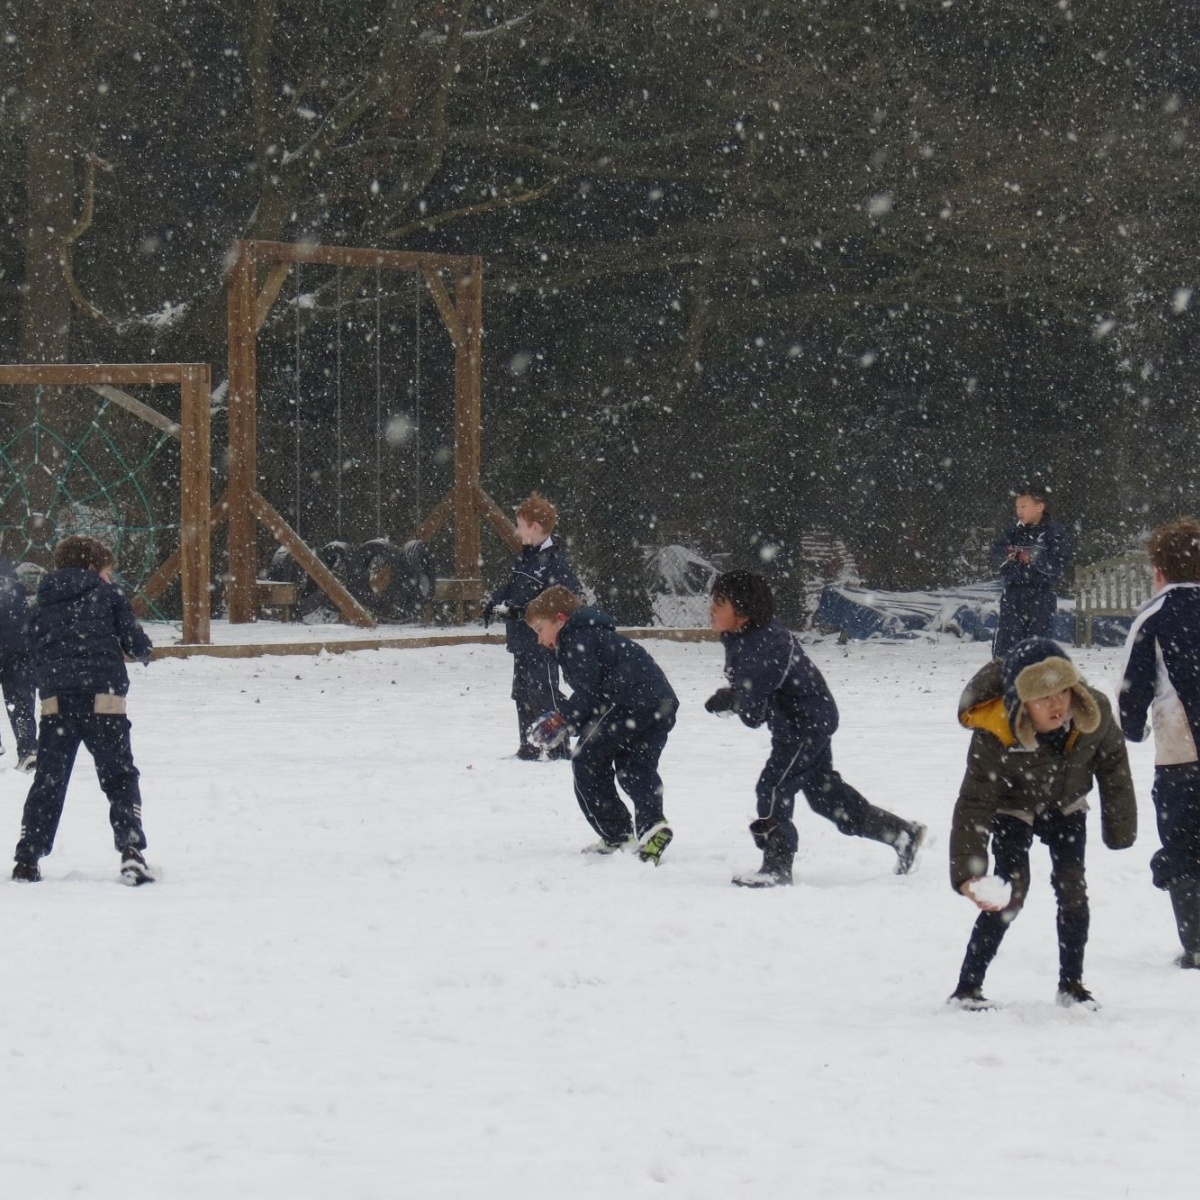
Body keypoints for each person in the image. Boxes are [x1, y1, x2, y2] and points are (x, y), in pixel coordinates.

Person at [705, 570, 926, 888]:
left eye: (719, 602)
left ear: (742, 612)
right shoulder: (745, 639)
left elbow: (753, 705)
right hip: (807, 722)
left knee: (773, 788)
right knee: (826, 796)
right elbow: (755, 703)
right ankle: (902, 834)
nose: (712, 608)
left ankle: (776, 865)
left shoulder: (764, 644)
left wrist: (734, 699)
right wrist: (738, 699)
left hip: (802, 727)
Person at [948, 638, 1137, 1010]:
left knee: (1073, 891)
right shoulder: (997, 732)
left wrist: (1120, 825)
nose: (1057, 705)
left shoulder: (1093, 712)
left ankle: (1072, 985)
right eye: (1043, 697)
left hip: (1067, 806)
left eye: (1063, 692)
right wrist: (968, 872)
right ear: (1021, 704)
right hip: (1013, 810)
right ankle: (967, 988)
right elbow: (974, 801)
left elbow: (1114, 764)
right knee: (1010, 894)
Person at [11, 536, 155, 885]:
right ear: (93, 566)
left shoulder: (40, 603)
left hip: (56, 704)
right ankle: (131, 850)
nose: (109, 577)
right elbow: (136, 645)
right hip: (104, 701)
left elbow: (30, 649)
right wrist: (143, 650)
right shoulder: (110, 596)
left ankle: (28, 857)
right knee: (119, 777)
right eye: (107, 571)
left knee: (49, 781)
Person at [524, 585, 676, 864]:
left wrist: (563, 719)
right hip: (659, 704)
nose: (538, 639)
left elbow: (591, 693)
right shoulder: (595, 634)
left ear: (560, 619)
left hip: (627, 703)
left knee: (586, 761)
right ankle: (652, 827)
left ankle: (616, 834)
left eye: (539, 629)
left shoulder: (574, 640)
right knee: (635, 768)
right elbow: (596, 690)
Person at [1118, 517, 1200, 968]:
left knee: (1184, 843)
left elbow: (1133, 685)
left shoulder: (1154, 617)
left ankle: (1198, 939)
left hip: (1181, 755)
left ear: (1157, 571)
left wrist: (1134, 729)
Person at [483, 494, 582, 760]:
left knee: (544, 692)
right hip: (520, 640)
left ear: (535, 527)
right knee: (523, 692)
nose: (517, 531)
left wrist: (523, 611)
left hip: (542, 642)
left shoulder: (553, 564)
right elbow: (512, 586)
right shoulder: (526, 557)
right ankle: (528, 747)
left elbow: (568, 598)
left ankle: (559, 747)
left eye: (520, 525)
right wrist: (493, 602)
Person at [989, 482, 1073, 658]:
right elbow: (997, 554)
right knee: (1006, 648)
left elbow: (1057, 566)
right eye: (1017, 506)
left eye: (1024, 506)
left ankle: (1034, 680)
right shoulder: (1013, 531)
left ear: (1039, 507)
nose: (1019, 511)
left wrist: (1033, 559)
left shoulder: (1054, 532)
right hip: (1013, 594)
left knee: (1037, 649)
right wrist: (1010, 556)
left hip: (1041, 596)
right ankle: (1005, 678)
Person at [0, 553, 37, 772]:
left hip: (14, 642)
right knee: (21, 701)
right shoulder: (11, 579)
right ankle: (28, 750)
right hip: (19, 646)